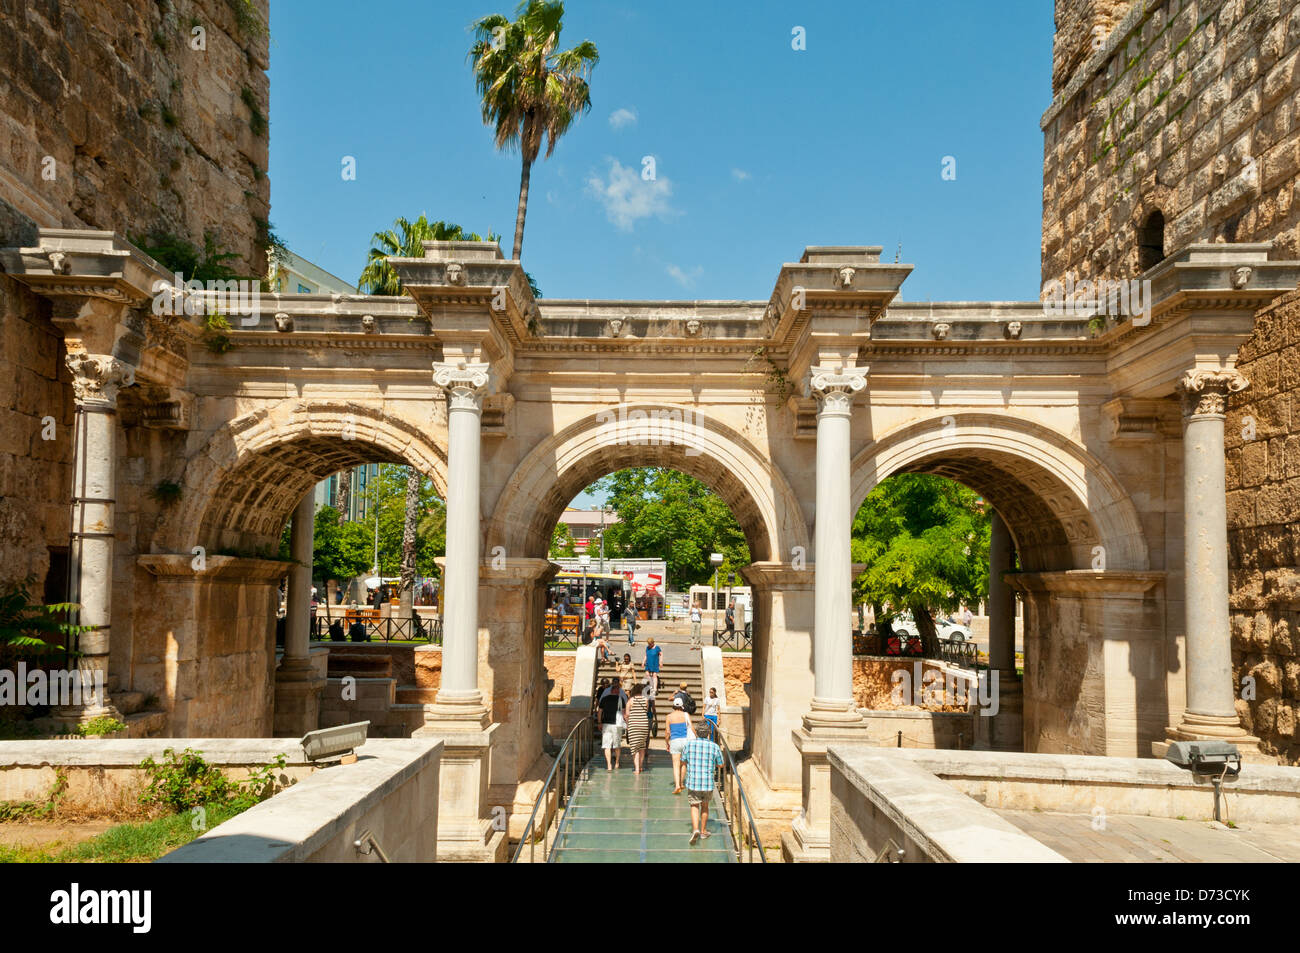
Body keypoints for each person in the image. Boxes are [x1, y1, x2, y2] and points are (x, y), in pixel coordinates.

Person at [679, 728, 724, 844]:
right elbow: (721, 764)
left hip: (693, 782)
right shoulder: (714, 746)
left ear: (697, 733)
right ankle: (703, 831)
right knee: (705, 806)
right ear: (708, 733)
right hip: (707, 783)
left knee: (694, 805)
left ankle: (695, 830)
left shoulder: (689, 745)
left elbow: (682, 761)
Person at [597, 677, 628, 770]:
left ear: (611, 691)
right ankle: (617, 763)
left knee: (606, 746)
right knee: (617, 745)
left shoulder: (604, 699)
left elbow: (600, 711)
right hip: (617, 725)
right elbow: (623, 713)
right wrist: (626, 723)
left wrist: (599, 722)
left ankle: (609, 765)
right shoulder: (621, 699)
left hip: (606, 724)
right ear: (618, 691)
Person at [665, 697, 693, 794]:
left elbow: (668, 732)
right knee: (684, 763)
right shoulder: (686, 715)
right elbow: (692, 728)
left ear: (673, 705)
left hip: (675, 741)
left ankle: (677, 785)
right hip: (685, 741)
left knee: (676, 765)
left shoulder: (669, 716)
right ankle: (681, 783)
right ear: (682, 706)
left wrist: (667, 742)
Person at [625, 683, 652, 773]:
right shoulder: (646, 699)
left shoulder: (631, 700)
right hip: (644, 724)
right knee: (642, 746)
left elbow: (627, 714)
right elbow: (646, 710)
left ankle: (636, 769)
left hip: (633, 724)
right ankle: (640, 766)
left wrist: (627, 723)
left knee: (634, 748)